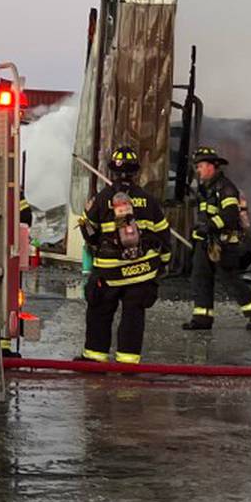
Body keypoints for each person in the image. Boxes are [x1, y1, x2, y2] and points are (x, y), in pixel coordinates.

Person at [79, 143, 169, 365]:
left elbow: (88, 230)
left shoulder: (102, 198)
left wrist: (97, 246)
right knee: (133, 316)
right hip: (141, 272)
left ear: (112, 171)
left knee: (99, 312)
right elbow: (164, 236)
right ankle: (128, 361)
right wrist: (162, 265)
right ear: (135, 172)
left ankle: (95, 358)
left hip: (110, 272)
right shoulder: (149, 200)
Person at [185, 144, 251, 332]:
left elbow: (230, 214)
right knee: (200, 278)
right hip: (206, 242)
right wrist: (199, 230)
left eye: (200, 166)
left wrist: (209, 226)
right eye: (196, 167)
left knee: (229, 279)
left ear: (211, 166)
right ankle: (202, 319)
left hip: (223, 244)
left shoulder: (226, 187)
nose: (198, 170)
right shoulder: (204, 188)